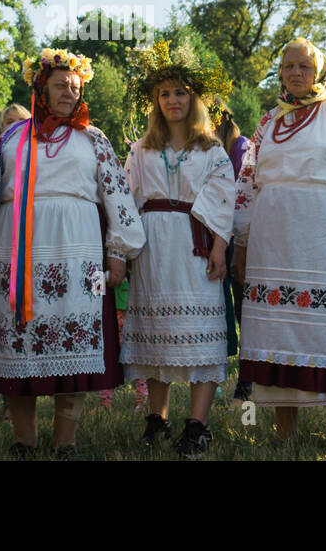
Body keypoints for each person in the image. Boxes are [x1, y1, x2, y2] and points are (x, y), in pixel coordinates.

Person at [232, 39, 326, 448]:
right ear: (280, 73)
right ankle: (286, 432)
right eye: (288, 66)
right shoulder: (267, 122)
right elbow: (247, 183)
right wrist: (242, 240)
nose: (296, 73)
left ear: (320, 73)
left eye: (304, 66)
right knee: (281, 331)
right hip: (273, 239)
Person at [0, 48, 145, 458]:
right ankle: (23, 439)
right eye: (60, 85)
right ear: (41, 87)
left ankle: (66, 442)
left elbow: (116, 193)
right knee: (18, 341)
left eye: (75, 88)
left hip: (76, 251)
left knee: (73, 345)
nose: (68, 93)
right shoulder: (11, 137)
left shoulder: (93, 138)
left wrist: (118, 251)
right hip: (17, 251)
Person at [121, 41, 235, 457]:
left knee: (200, 332)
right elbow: (126, 199)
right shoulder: (141, 149)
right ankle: (158, 417)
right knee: (156, 331)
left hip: (195, 244)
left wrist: (220, 246)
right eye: (165, 93)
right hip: (153, 246)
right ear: (156, 100)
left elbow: (225, 198)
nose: (173, 100)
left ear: (195, 99)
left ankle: (198, 424)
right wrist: (122, 251)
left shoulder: (212, 150)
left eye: (181, 92)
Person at [215, 100, 251, 405]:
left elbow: (243, 195)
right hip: (211, 236)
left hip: (237, 238)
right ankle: (212, 373)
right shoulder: (200, 148)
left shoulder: (240, 147)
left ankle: (246, 378)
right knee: (215, 307)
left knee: (243, 307)